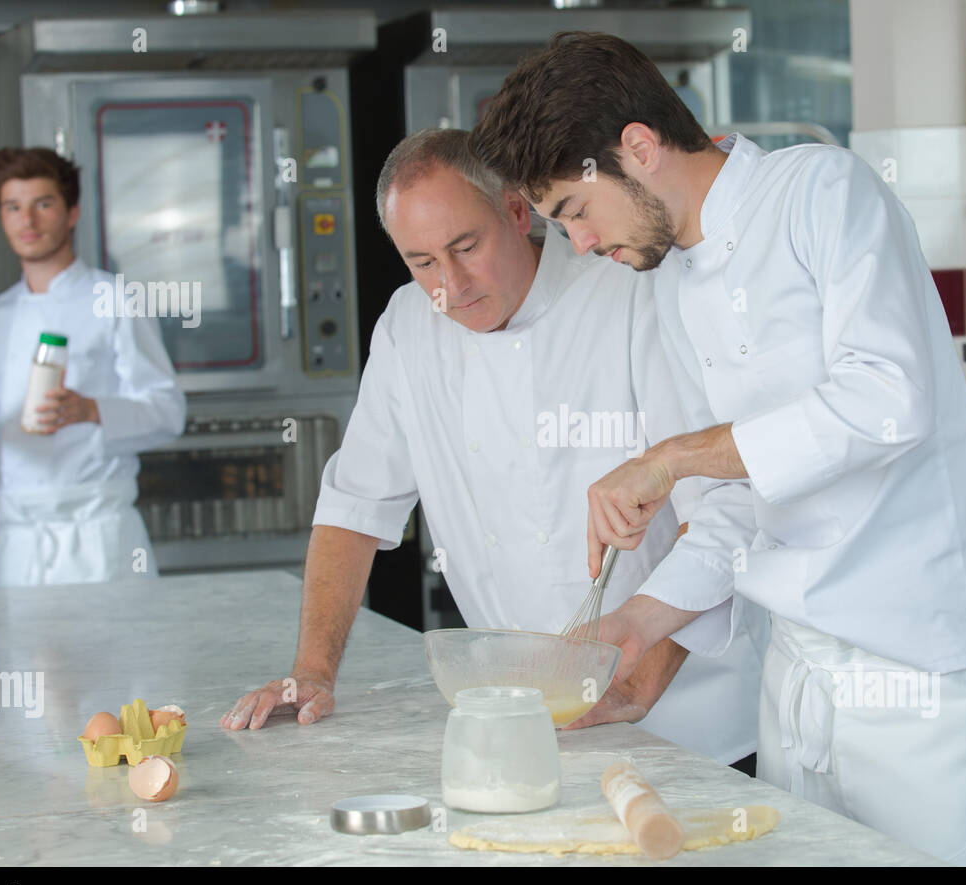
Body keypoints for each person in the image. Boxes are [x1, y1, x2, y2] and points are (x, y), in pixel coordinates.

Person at [470, 32, 966, 864]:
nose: (577, 245)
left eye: (574, 212)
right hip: (794, 665)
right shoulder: (670, 285)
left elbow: (888, 398)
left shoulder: (821, 193)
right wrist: (636, 622)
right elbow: (737, 499)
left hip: (915, 665)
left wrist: (675, 456)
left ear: (640, 148)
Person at [221, 130, 761, 766]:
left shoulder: (628, 295)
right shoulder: (406, 327)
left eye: (465, 247)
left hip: (693, 725)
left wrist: (643, 679)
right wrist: (312, 672)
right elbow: (352, 510)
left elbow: (726, 505)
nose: (450, 284)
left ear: (513, 210)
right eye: (422, 263)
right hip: (529, 727)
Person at [0, 147, 185, 586]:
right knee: (15, 657)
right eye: (13, 207)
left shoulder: (116, 300)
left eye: (43, 204)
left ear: (72, 213)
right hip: (18, 544)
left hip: (101, 536)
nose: (27, 222)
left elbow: (168, 412)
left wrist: (91, 410)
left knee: (123, 657)